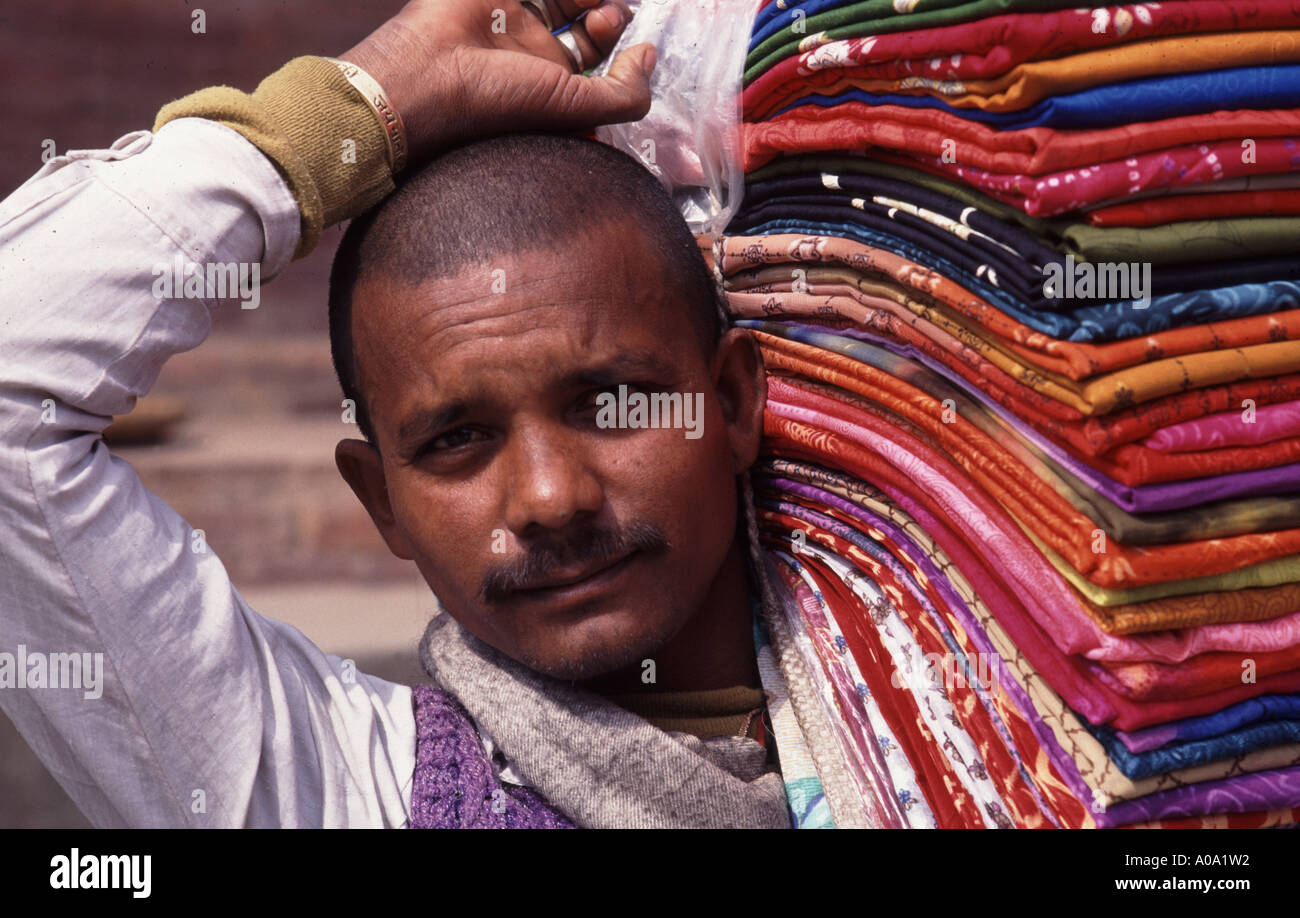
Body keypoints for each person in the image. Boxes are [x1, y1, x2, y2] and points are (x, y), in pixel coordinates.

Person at [0, 0, 847, 828]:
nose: (551, 499)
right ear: (381, 503)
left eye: (609, 404)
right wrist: (359, 104)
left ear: (730, 402)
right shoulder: (340, 786)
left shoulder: (932, 699)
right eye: (457, 441)